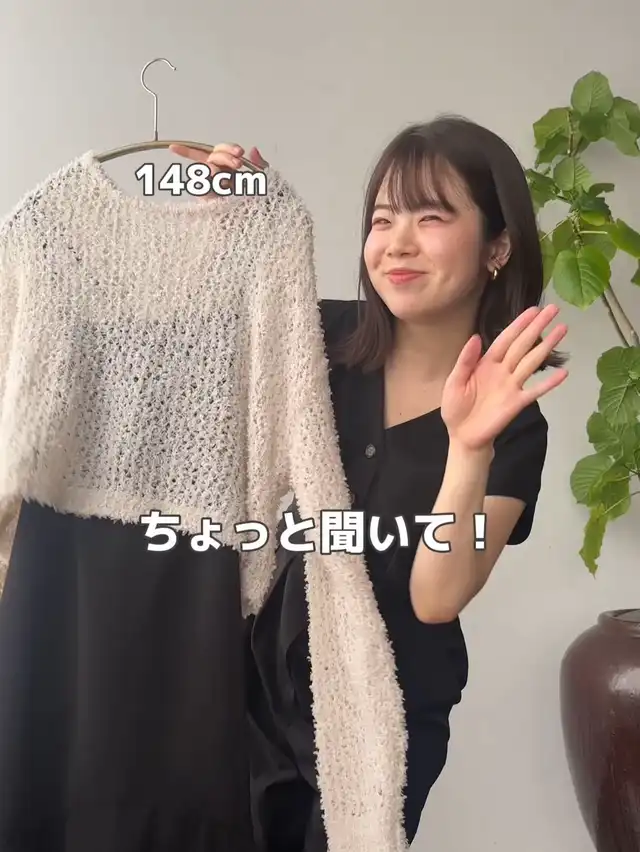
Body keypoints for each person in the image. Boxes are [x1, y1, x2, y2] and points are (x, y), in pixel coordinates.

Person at [171, 115, 569, 850]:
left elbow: (437, 597)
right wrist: (221, 229)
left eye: (431, 217)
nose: (398, 244)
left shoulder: (514, 426)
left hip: (384, 718)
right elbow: (189, 361)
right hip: (250, 684)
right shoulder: (319, 339)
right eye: (383, 220)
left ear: (498, 246)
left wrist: (468, 445)